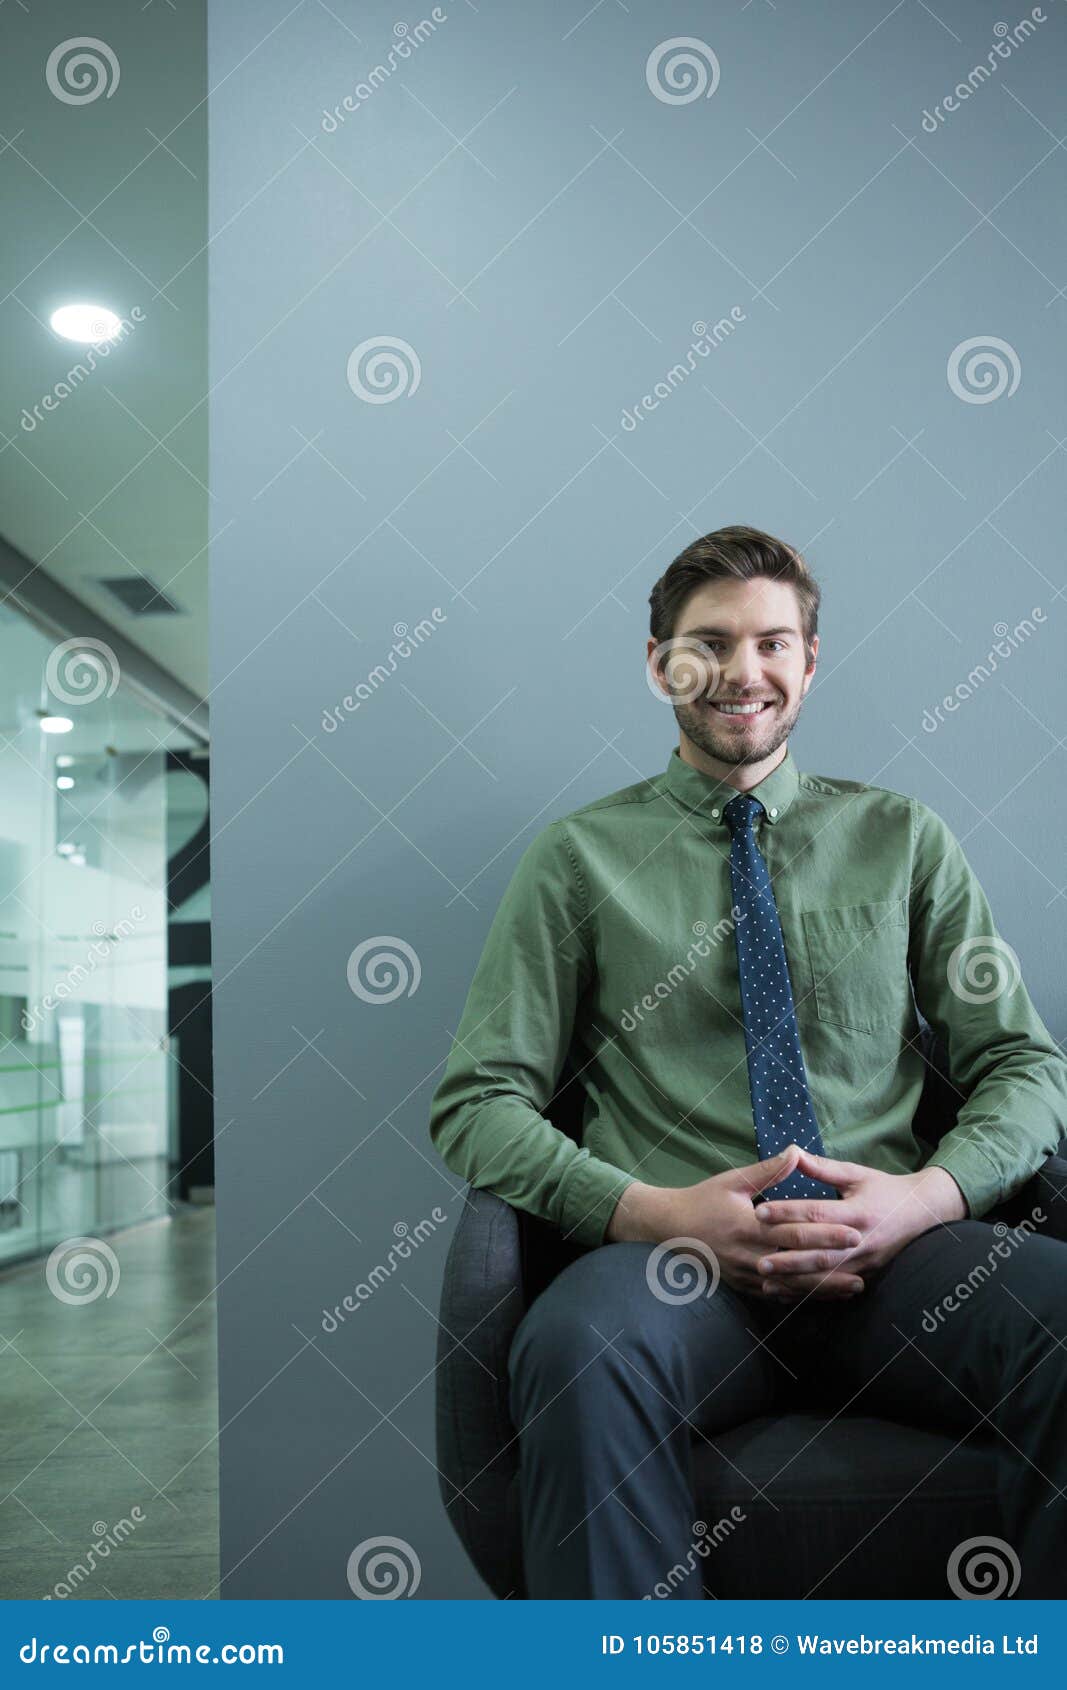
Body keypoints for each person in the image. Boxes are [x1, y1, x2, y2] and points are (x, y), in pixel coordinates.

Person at [428, 525, 1067, 1599]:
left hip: (896, 1266)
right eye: (707, 643)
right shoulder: (575, 858)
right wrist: (658, 1214)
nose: (741, 671)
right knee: (574, 1352)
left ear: (808, 663)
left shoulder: (900, 838)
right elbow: (476, 1104)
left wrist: (919, 1198)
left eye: (772, 642)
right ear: (656, 663)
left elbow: (1020, 1065)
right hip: (675, 1275)